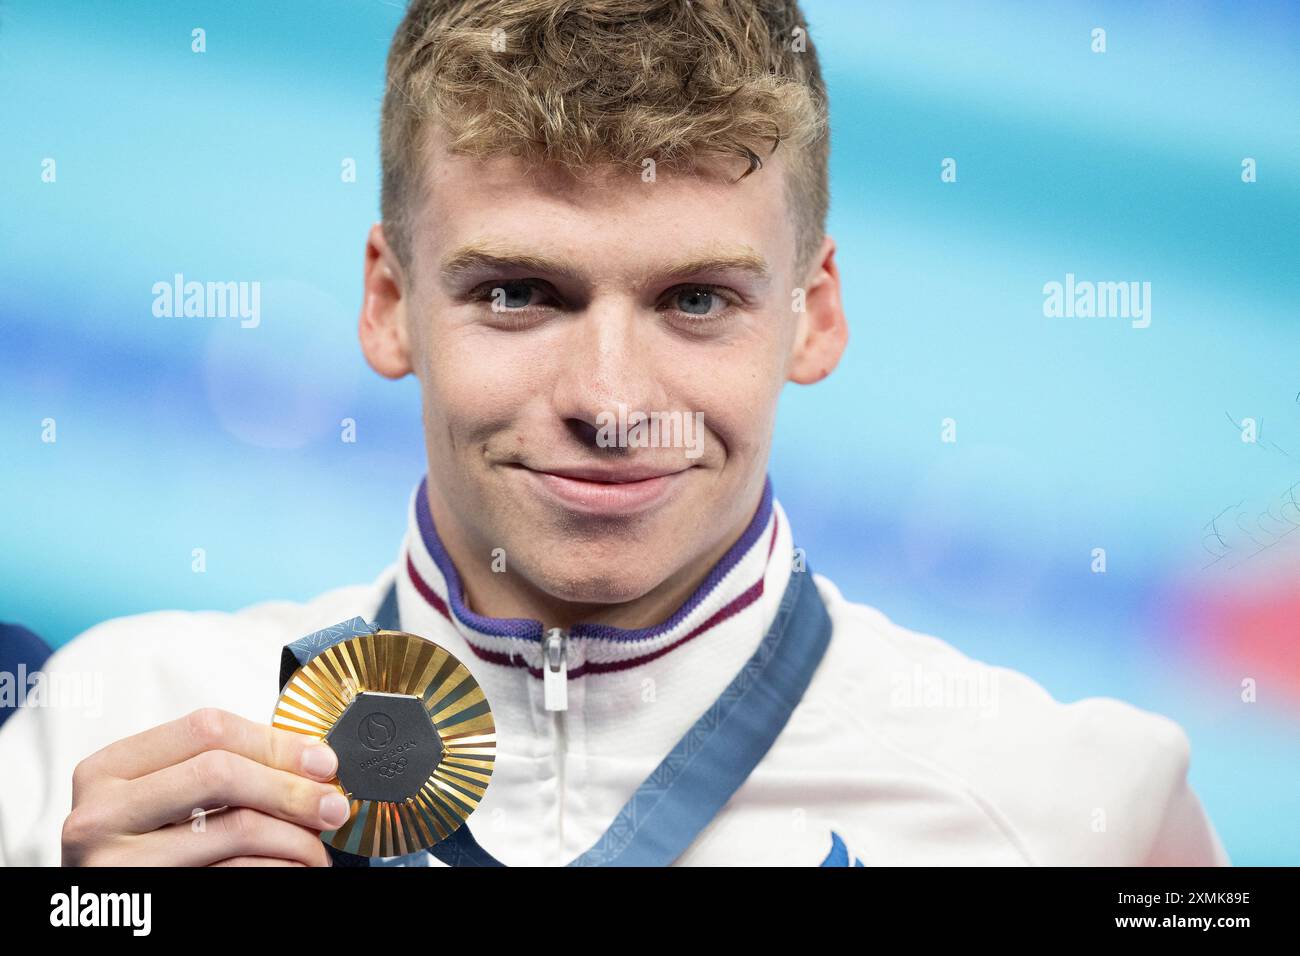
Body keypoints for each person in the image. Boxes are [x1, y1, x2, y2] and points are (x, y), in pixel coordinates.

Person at [0, 0, 1227, 867]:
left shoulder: (1072, 807)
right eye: (519, 294)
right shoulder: (113, 729)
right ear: (388, 304)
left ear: (814, 314)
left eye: (696, 300)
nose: (608, 396)